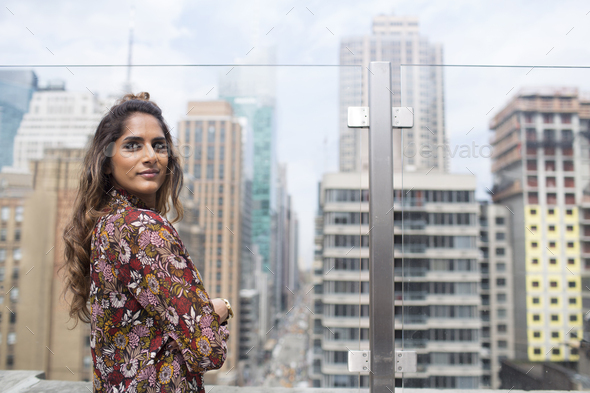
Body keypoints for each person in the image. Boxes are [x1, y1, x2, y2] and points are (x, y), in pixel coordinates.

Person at [60, 92, 232, 392]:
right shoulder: (142, 228)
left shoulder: (108, 223)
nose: (151, 155)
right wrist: (219, 309)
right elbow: (207, 350)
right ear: (107, 162)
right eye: (132, 146)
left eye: (159, 145)